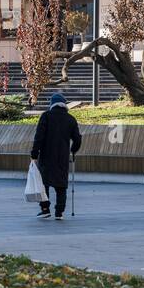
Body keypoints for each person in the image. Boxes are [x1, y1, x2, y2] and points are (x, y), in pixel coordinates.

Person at [30, 91, 82, 219]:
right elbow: (77, 139)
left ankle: (45, 208)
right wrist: (73, 150)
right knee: (61, 185)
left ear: (52, 104)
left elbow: (39, 137)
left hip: (46, 156)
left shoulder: (46, 116)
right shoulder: (70, 119)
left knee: (44, 184)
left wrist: (34, 153)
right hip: (62, 157)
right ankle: (59, 212)